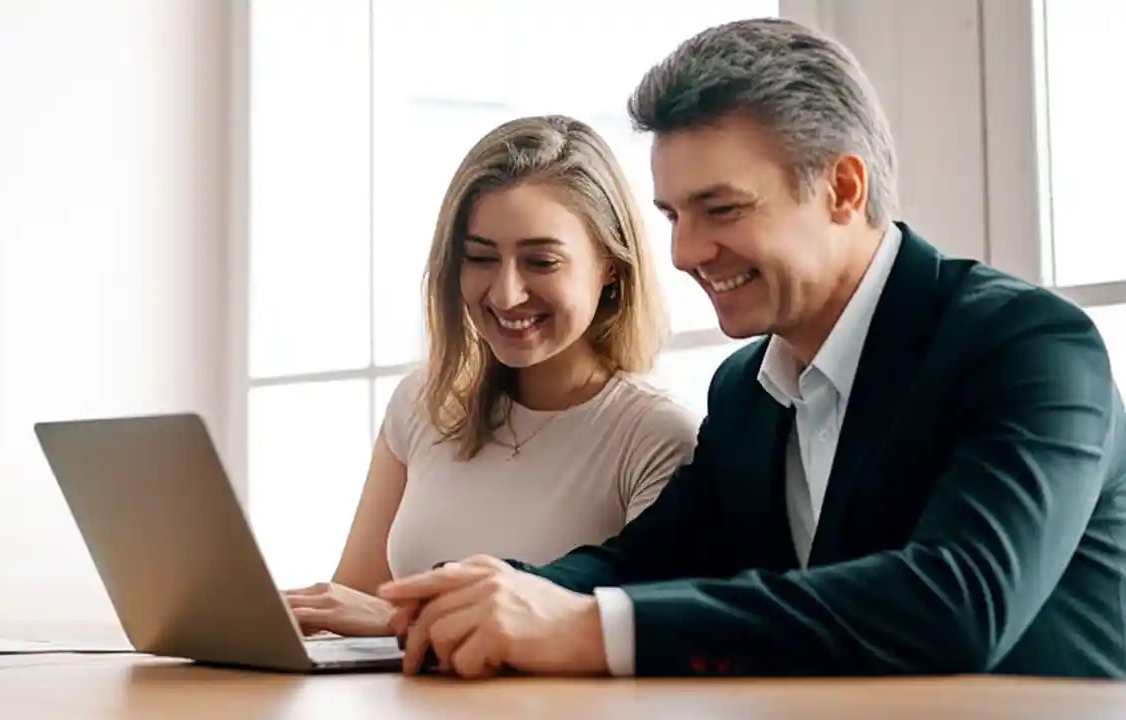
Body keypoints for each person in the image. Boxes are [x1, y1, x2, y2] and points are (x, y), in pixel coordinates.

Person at [379, 17, 1126, 679]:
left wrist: (587, 629)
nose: (683, 250)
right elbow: (643, 561)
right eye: (672, 214)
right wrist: (469, 595)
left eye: (721, 209)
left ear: (842, 187)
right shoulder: (746, 391)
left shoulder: (1028, 345)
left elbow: (957, 602)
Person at [284, 115, 700, 638]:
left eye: (541, 262)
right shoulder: (423, 403)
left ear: (609, 266)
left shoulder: (657, 436)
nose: (506, 294)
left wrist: (399, 622)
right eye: (480, 258)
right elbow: (346, 610)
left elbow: (640, 637)